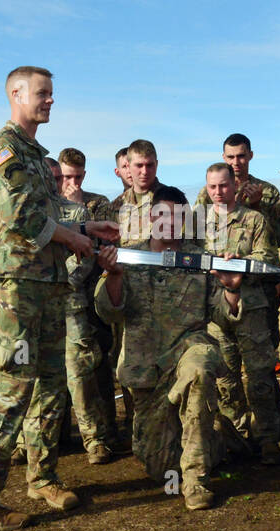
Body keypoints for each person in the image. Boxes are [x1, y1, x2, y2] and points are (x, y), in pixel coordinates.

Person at [0, 66, 118, 531]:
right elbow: (19, 216)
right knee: (8, 389)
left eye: (51, 94)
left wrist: (85, 229)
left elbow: (45, 217)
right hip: (15, 286)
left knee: (49, 385)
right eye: (42, 94)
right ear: (16, 94)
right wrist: (74, 239)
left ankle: (41, 477)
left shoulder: (35, 155)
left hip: (45, 284)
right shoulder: (1, 149)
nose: (50, 101)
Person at [95, 186, 242, 509]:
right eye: (164, 217)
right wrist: (114, 276)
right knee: (160, 468)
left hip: (187, 352)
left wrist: (230, 290)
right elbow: (110, 311)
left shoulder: (199, 259)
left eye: (179, 218)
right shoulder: (130, 256)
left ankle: (196, 481)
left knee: (201, 367)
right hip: (148, 370)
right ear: (151, 218)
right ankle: (219, 434)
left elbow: (223, 315)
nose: (171, 225)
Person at [202, 163, 280, 465]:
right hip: (215, 312)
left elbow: (268, 257)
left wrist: (240, 264)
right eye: (212, 187)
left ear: (234, 186)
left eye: (223, 186)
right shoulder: (199, 222)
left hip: (251, 308)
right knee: (226, 380)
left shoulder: (254, 219)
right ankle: (235, 437)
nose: (218, 192)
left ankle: (267, 439)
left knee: (260, 377)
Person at [57, 147, 120, 463]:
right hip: (49, 301)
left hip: (86, 295)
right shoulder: (40, 210)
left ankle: (100, 436)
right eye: (66, 176)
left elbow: (97, 252)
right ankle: (50, 437)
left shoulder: (93, 206)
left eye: (76, 176)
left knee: (89, 369)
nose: (71, 182)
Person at [114, 140, 163, 246]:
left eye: (149, 165)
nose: (145, 172)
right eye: (139, 165)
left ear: (157, 164)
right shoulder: (116, 206)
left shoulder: (173, 201)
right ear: (128, 166)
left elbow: (186, 245)